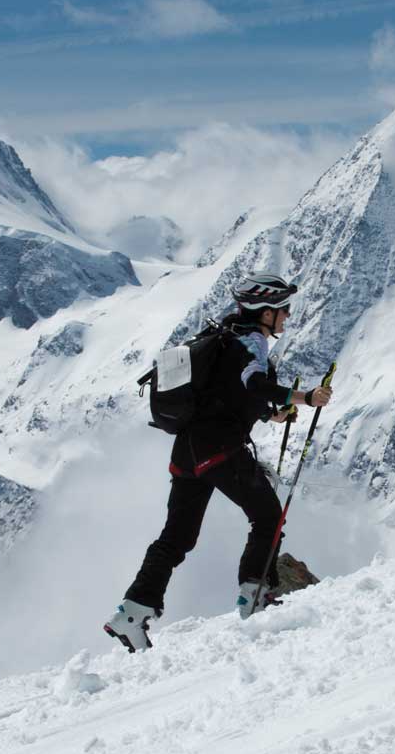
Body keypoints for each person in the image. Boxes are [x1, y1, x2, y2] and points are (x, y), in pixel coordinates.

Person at [105, 274, 334, 652]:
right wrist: (305, 397)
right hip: (219, 448)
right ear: (266, 313)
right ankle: (255, 597)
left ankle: (131, 613)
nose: (288, 316)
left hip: (187, 451)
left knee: (177, 537)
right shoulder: (253, 340)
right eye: (283, 309)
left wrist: (272, 415)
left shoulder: (226, 334)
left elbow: (228, 393)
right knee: (268, 515)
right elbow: (253, 385)